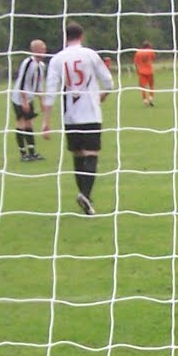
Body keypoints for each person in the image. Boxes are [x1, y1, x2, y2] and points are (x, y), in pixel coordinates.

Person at [42, 22, 114, 215]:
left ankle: (86, 199)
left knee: (77, 155)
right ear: (81, 36)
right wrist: (104, 94)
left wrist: (46, 121)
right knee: (91, 154)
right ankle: (85, 194)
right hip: (90, 113)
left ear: (65, 36)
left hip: (70, 117)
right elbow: (108, 81)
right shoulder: (90, 54)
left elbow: (50, 91)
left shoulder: (57, 59)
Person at [10, 39, 46, 163]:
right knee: (21, 122)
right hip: (19, 98)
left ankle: (32, 152)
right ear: (36, 50)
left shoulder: (41, 66)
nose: (45, 50)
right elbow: (22, 82)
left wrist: (42, 101)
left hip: (29, 98)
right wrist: (24, 101)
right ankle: (23, 154)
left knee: (29, 123)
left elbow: (39, 85)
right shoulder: (28, 63)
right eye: (42, 48)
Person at [134, 41, 156, 107]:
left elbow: (135, 63)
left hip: (141, 71)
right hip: (149, 70)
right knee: (151, 86)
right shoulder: (151, 51)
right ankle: (151, 98)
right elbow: (153, 58)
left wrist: (137, 69)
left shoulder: (138, 52)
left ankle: (145, 100)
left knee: (143, 87)